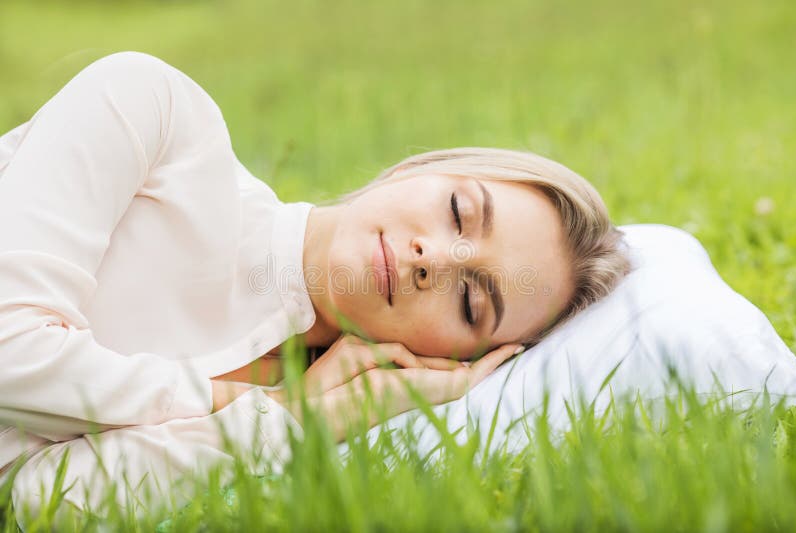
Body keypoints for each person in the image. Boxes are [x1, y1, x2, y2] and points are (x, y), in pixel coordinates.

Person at [0, 51, 630, 522]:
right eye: (459, 211)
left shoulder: (299, 401)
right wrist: (232, 400)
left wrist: (309, 417)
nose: (432, 258)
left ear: (451, 357)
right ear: (422, 169)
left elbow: (35, 502)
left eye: (471, 300)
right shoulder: (156, 112)